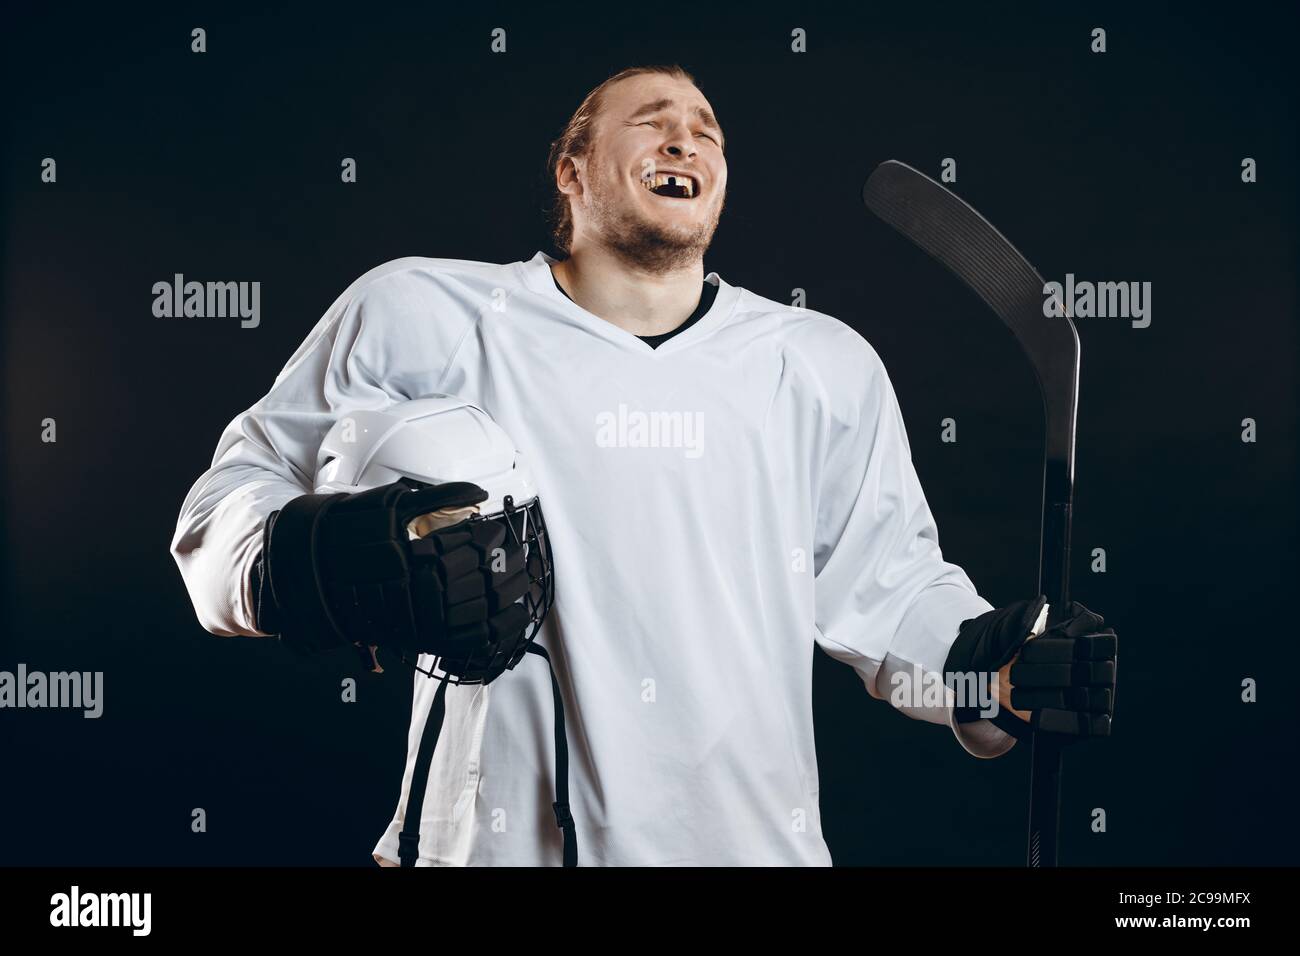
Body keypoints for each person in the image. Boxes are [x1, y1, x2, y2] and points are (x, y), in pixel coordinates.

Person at [170, 63, 1116, 866]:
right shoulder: (422, 314)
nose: (685, 142)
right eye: (651, 124)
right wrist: (309, 562)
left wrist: (990, 669)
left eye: (706, 132)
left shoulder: (819, 362)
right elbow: (221, 514)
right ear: (572, 171)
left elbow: (889, 587)